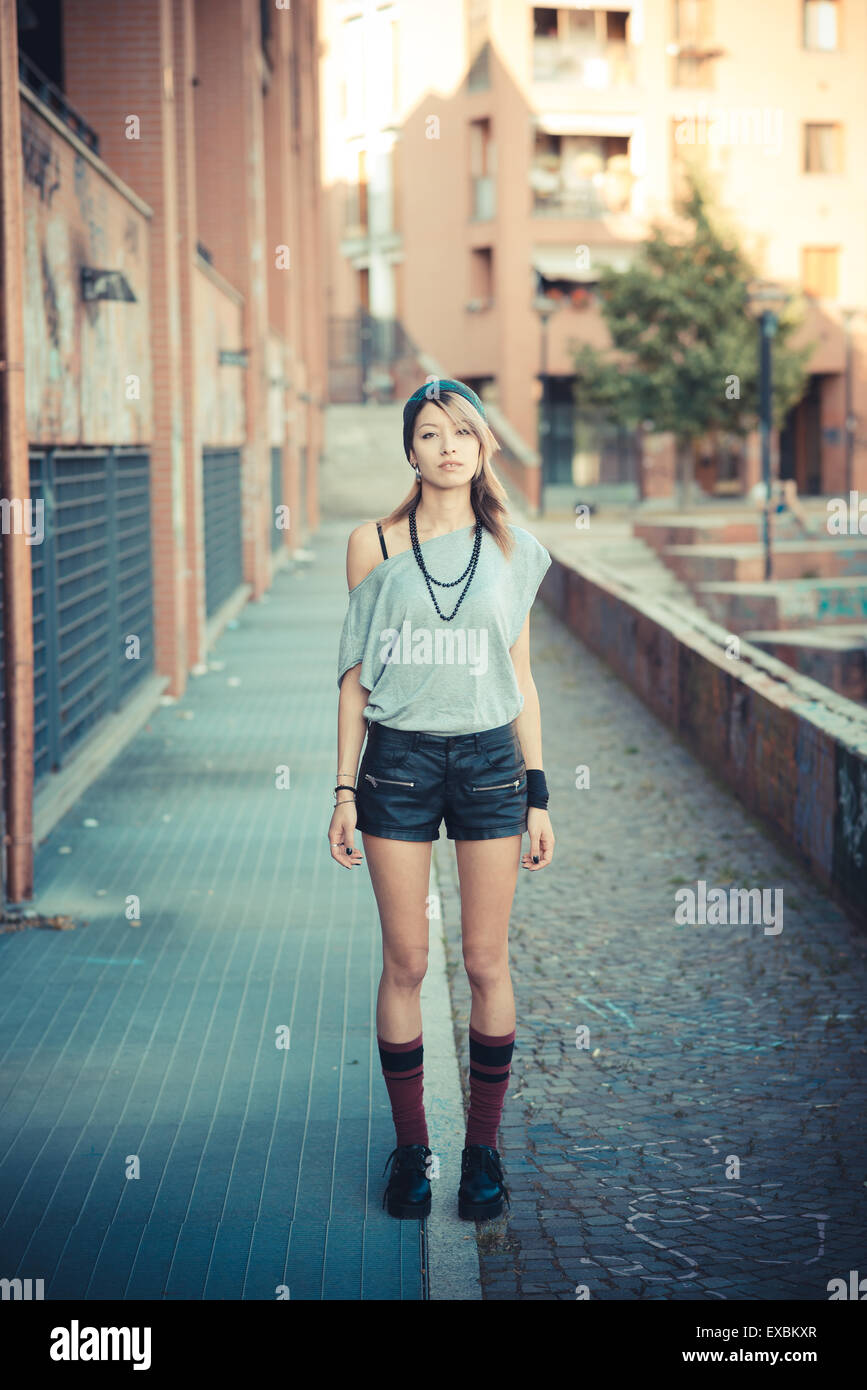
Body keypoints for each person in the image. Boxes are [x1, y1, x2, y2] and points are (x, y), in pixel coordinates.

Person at [330, 379, 555, 1223]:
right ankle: (412, 1149)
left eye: (462, 431)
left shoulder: (513, 548)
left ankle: (483, 1154)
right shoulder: (373, 545)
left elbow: (522, 678)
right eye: (430, 434)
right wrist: (343, 788)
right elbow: (353, 681)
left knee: (486, 960)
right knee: (407, 962)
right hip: (398, 761)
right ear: (410, 450)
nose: (448, 446)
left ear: (484, 444)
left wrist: (538, 794)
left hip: (491, 761)